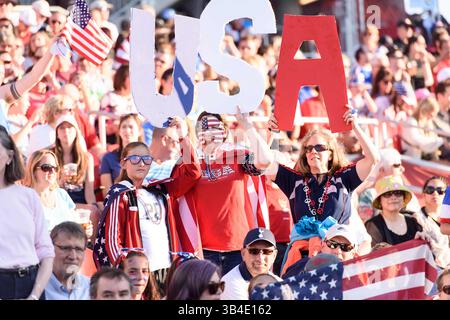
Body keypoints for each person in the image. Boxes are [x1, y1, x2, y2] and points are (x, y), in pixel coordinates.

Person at [93, 118, 201, 288]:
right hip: (138, 276)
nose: (141, 163)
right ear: (123, 163)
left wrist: (182, 137)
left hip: (167, 270)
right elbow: (113, 241)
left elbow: (192, 173)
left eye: (146, 159)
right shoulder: (120, 194)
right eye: (135, 158)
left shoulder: (161, 190)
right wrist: (129, 272)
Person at [238, 104, 378, 226]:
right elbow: (263, 160)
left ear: (330, 153)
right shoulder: (294, 180)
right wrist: (268, 135)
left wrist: (356, 127)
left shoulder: (343, 177)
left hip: (337, 252)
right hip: (303, 253)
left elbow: (373, 159)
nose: (313, 151)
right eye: (308, 148)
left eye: (319, 147)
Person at [182, 112, 267, 275]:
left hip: (240, 250)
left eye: (217, 128)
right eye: (206, 128)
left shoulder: (237, 156)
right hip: (204, 252)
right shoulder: (191, 162)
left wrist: (247, 125)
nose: (212, 132)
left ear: (225, 132)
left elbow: (265, 160)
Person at [0, 126, 54, 299]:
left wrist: (35, 295)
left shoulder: (28, 196)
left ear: (9, 157)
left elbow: (46, 251)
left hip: (31, 284)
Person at [23, 149, 81, 233]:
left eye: (55, 168)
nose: (52, 171)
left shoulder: (62, 194)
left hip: (70, 243)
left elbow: (76, 226)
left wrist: (85, 230)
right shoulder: (26, 199)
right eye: (46, 168)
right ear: (33, 170)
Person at [220, 228, 281, 300]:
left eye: (267, 251)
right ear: (243, 253)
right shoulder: (230, 283)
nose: (260, 258)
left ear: (274, 256)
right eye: (254, 251)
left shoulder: (279, 282)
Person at [51, 114, 96, 206]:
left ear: (76, 132)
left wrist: (93, 207)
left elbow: (89, 193)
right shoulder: (50, 156)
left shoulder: (87, 158)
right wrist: (61, 180)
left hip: (80, 203)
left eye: (70, 127)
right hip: (58, 202)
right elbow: (48, 191)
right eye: (62, 128)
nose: (66, 131)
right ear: (57, 134)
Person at [365, 176, 423, 246]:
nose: (393, 197)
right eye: (387, 194)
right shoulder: (372, 225)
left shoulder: (413, 223)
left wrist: (422, 240)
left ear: (403, 198)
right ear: (380, 200)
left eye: (398, 193)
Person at [282, 224, 357, 278]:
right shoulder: (302, 266)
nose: (338, 251)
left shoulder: (358, 279)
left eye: (345, 247)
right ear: (322, 245)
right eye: (332, 244)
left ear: (353, 253)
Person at [100, 113, 143, 197]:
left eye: (131, 127)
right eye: (124, 127)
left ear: (139, 131)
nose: (127, 130)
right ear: (119, 131)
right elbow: (107, 193)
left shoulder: (147, 158)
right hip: (120, 203)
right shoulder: (108, 158)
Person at [45, 222, 90, 300]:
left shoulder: (92, 288)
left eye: (79, 249)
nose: (73, 256)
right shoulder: (33, 288)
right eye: (65, 248)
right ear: (50, 248)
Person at [413, 176, 450, 268]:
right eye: (430, 190)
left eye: (440, 191)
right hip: (432, 271)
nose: (435, 193)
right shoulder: (415, 218)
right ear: (424, 194)